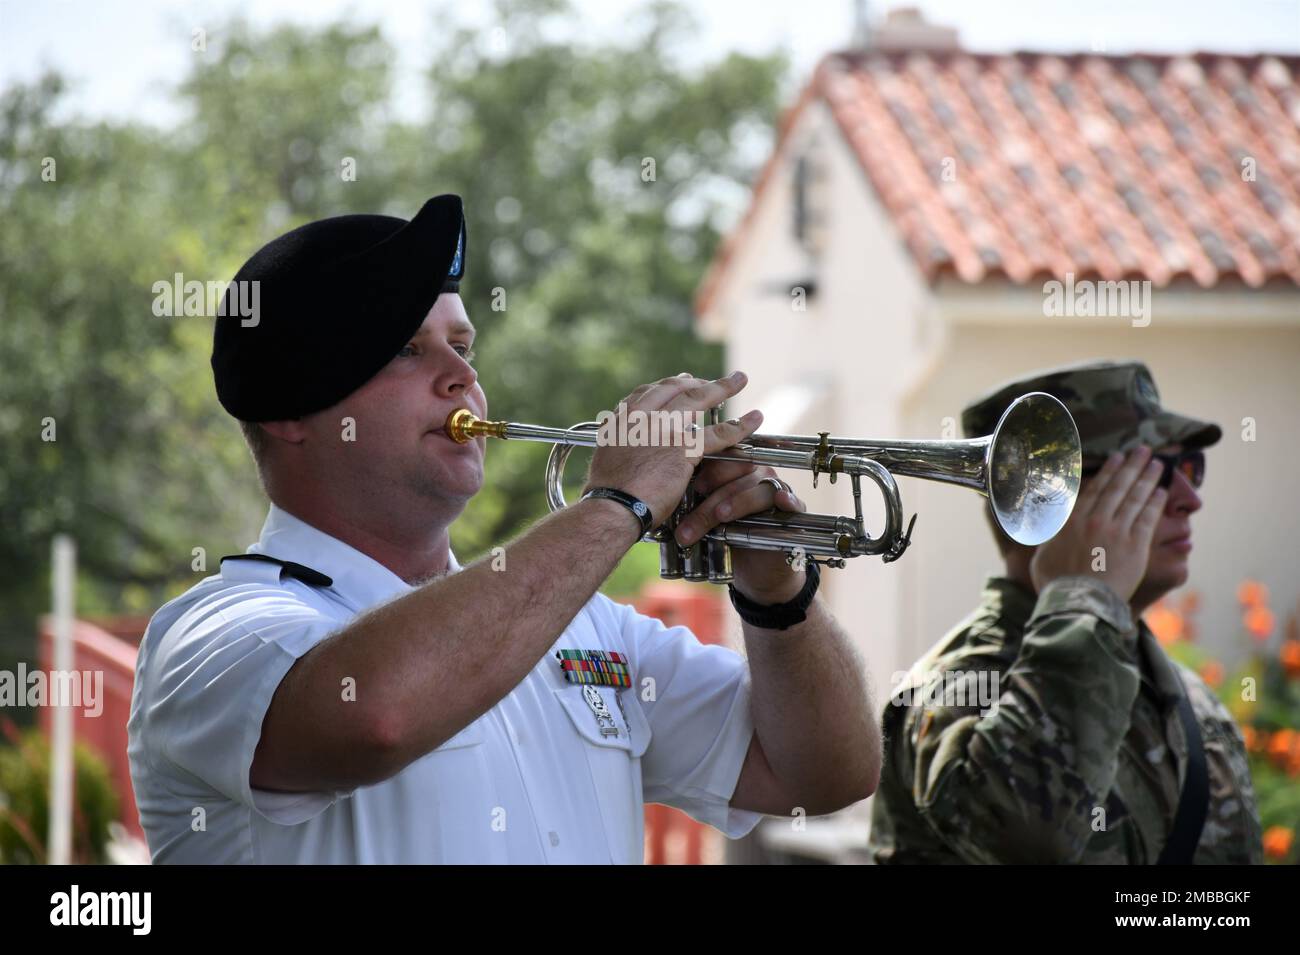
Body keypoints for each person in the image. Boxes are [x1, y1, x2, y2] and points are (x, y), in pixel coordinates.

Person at [127, 194, 880, 864]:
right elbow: (376, 717)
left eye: (463, 346)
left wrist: (777, 594)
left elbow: (827, 775)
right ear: (290, 413)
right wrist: (618, 505)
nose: (461, 377)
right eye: (406, 349)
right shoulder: (212, 635)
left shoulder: (579, 623)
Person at [868, 360, 1261, 864]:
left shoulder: (1192, 701)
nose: (1190, 500)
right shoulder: (955, 691)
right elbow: (1029, 837)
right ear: (1038, 498)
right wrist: (1083, 593)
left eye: (1189, 467)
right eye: (1149, 474)